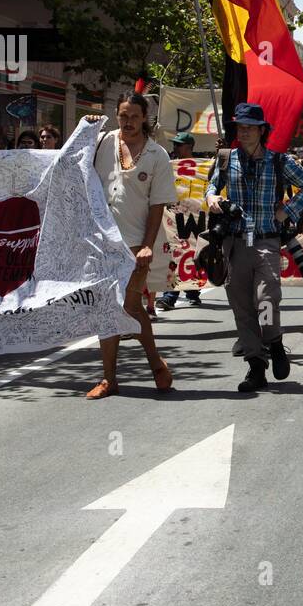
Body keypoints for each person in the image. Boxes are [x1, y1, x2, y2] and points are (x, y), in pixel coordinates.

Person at [203, 103, 303, 393]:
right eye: (239, 127)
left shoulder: (279, 161)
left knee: (266, 299)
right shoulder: (224, 159)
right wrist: (212, 199)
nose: (242, 132)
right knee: (242, 308)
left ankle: (275, 342)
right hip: (235, 243)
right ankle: (256, 367)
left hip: (267, 241)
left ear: (261, 130)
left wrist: (288, 211)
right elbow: (210, 188)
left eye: (248, 127)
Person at [85, 95, 178, 399]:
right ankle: (111, 379)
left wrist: (147, 246)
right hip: (101, 242)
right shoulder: (100, 143)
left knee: (128, 307)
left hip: (137, 244)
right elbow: (66, 161)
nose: (128, 122)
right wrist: (83, 128)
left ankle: (154, 363)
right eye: (123, 116)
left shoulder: (157, 155)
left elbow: (157, 205)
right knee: (109, 309)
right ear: (116, 115)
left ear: (144, 118)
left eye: (134, 117)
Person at [156, 132, 203, 313]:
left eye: (179, 145)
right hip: (174, 217)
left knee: (191, 252)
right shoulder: (169, 165)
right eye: (174, 144)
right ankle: (170, 296)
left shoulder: (201, 167)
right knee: (174, 253)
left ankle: (192, 292)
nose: (175, 148)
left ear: (189, 147)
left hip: (195, 217)